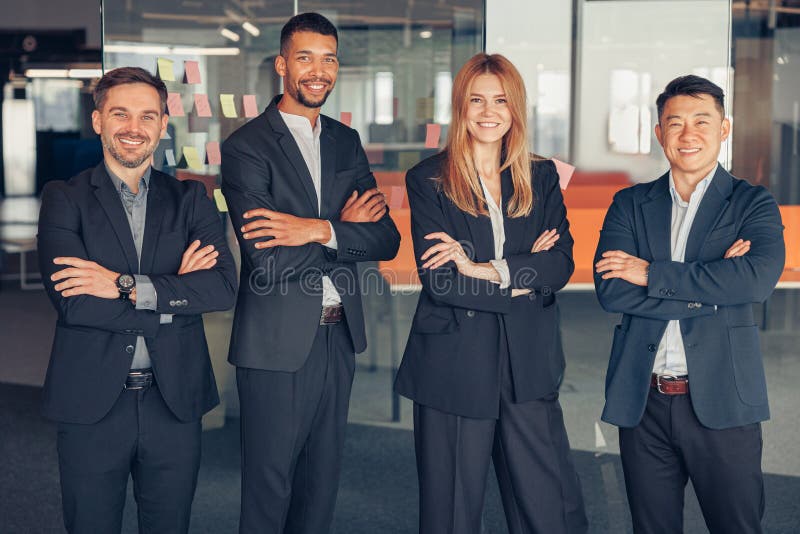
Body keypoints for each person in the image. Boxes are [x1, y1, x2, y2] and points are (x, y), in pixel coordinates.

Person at [220, 12, 401, 534]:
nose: (318, 70)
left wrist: (316, 230)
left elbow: (385, 240)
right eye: (305, 57)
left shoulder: (346, 141)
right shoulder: (246, 148)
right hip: (276, 342)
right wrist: (343, 230)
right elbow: (268, 261)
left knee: (322, 481)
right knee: (269, 483)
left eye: (328, 59)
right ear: (282, 65)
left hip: (338, 336)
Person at [37, 67, 238, 534]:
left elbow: (221, 288)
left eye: (147, 116)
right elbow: (76, 304)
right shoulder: (65, 199)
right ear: (98, 121)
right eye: (120, 113)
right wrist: (173, 295)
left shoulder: (192, 199)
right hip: (92, 403)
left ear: (163, 124)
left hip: (173, 400)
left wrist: (124, 285)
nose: (134, 127)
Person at [394, 53, 588, 534]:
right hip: (454, 361)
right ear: (460, 106)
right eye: (476, 100)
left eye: (500, 100)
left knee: (547, 505)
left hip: (528, 359)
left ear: (515, 107)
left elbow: (560, 265)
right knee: (452, 510)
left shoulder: (541, 177)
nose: (488, 111)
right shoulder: (429, 179)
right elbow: (443, 281)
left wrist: (486, 269)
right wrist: (524, 281)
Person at [594, 74, 785, 534]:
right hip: (644, 401)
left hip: (723, 396)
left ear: (724, 129)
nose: (687, 134)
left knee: (736, 526)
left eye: (702, 121)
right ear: (659, 133)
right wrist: (714, 282)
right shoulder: (630, 203)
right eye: (674, 122)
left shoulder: (752, 203)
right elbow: (613, 292)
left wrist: (652, 274)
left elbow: (755, 281)